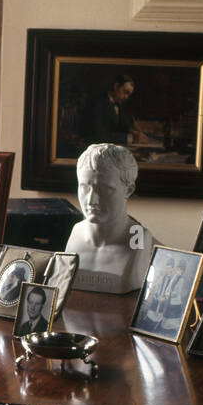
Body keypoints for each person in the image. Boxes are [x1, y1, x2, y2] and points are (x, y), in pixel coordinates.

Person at [64, 143, 154, 292]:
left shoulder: (138, 236)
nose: (92, 200)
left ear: (128, 190)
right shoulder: (76, 231)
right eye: (85, 188)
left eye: (105, 189)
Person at [85, 74, 136, 146]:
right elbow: (99, 135)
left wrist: (133, 132)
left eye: (129, 94)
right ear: (116, 86)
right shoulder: (98, 103)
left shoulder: (118, 105)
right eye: (125, 92)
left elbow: (123, 126)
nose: (126, 97)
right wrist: (130, 138)